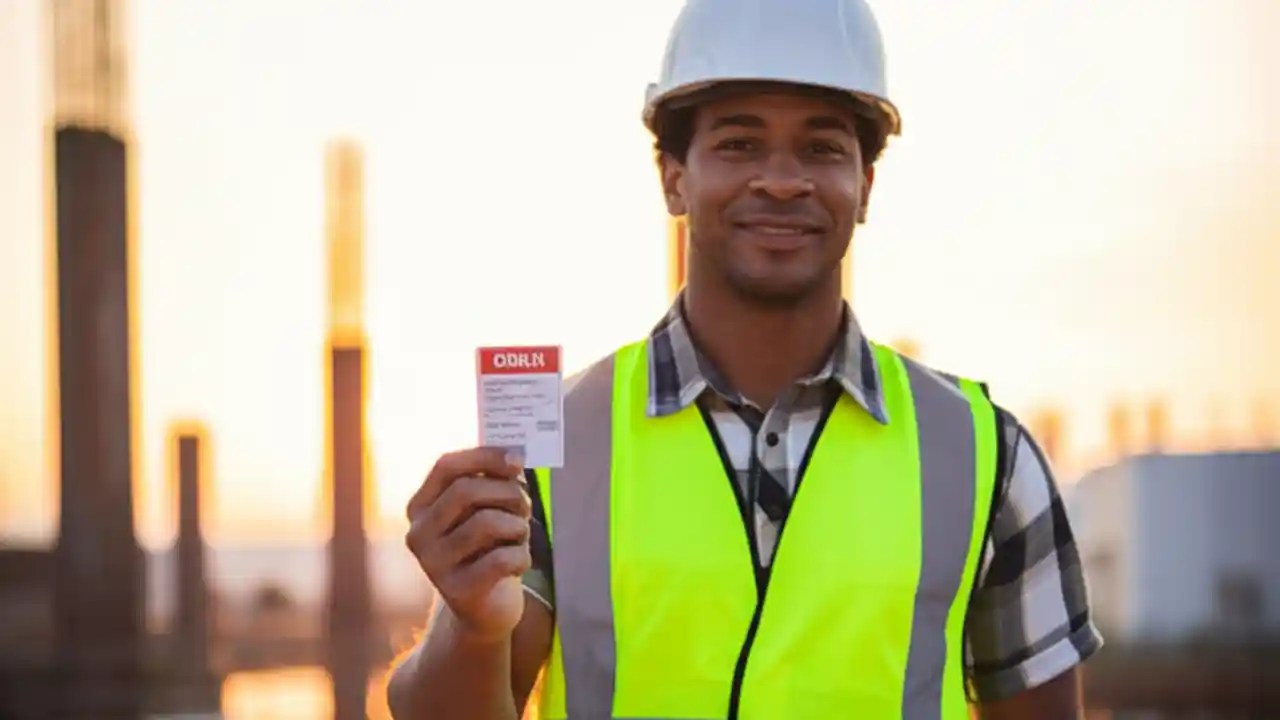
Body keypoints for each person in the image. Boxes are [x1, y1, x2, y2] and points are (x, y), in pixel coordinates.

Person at [388, 0, 1102, 717]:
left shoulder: (983, 455)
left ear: (866, 188)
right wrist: (473, 626)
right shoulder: (556, 445)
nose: (782, 180)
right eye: (738, 144)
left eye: (821, 148)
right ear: (673, 178)